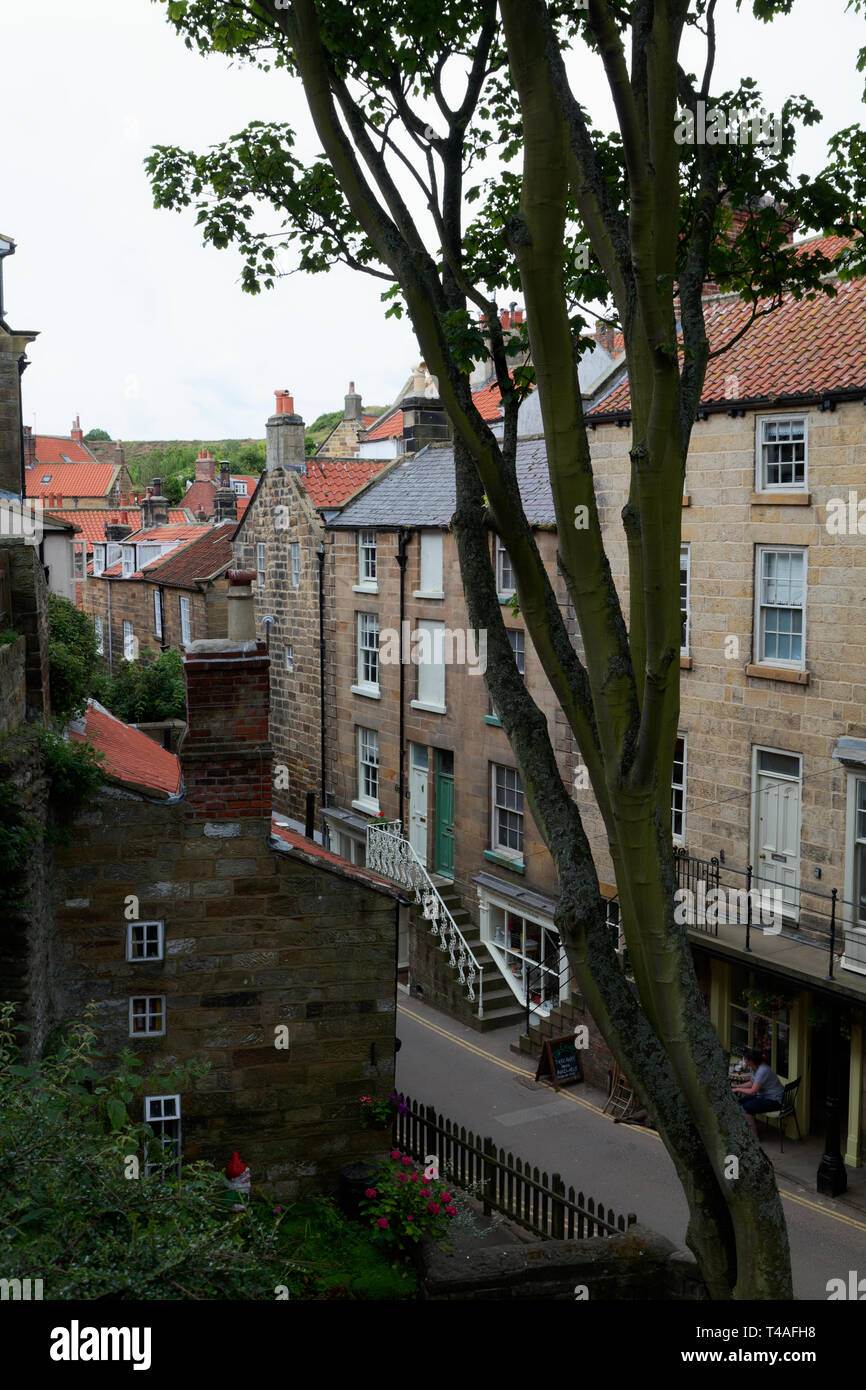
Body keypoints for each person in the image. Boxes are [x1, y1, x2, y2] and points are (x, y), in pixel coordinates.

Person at [731, 1047, 785, 1135]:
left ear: (751, 1060)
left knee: (745, 1108)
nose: (744, 1060)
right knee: (739, 1102)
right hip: (764, 1096)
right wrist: (737, 1085)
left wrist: (737, 1089)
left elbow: (753, 1091)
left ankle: (754, 1136)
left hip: (775, 1100)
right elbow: (752, 1083)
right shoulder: (753, 1067)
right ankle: (745, 1129)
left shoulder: (763, 1070)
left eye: (745, 1058)